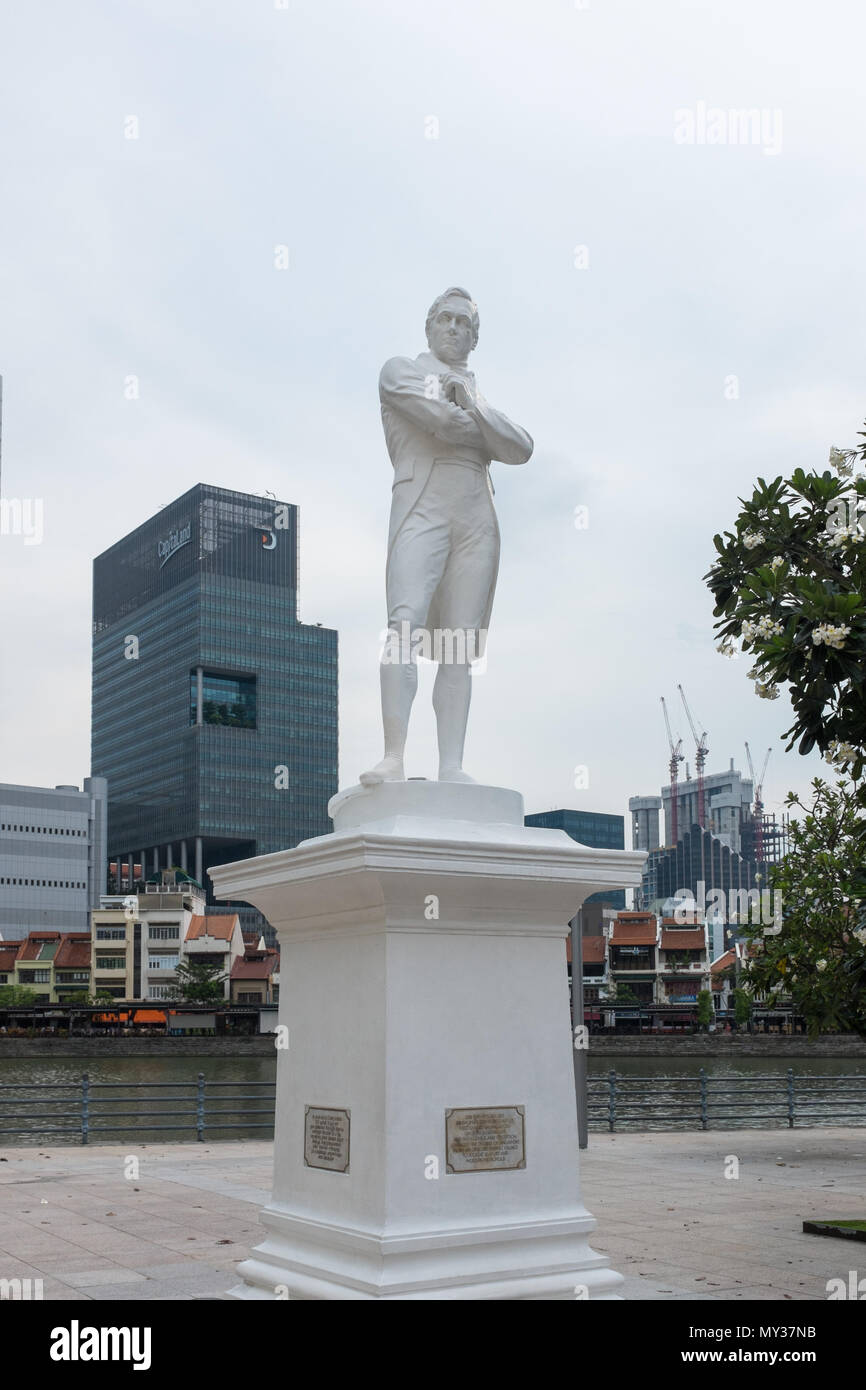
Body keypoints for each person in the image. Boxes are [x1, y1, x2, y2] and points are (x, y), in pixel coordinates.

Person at [361, 287, 533, 786]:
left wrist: (475, 406)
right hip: (422, 503)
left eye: (465, 323)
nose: (455, 328)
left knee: (460, 645)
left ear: (474, 338)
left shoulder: (476, 394)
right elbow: (443, 423)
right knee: (403, 627)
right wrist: (480, 427)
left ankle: (451, 766)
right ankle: (394, 755)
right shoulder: (400, 371)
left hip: (477, 516)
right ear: (430, 326)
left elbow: (520, 448)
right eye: (446, 319)